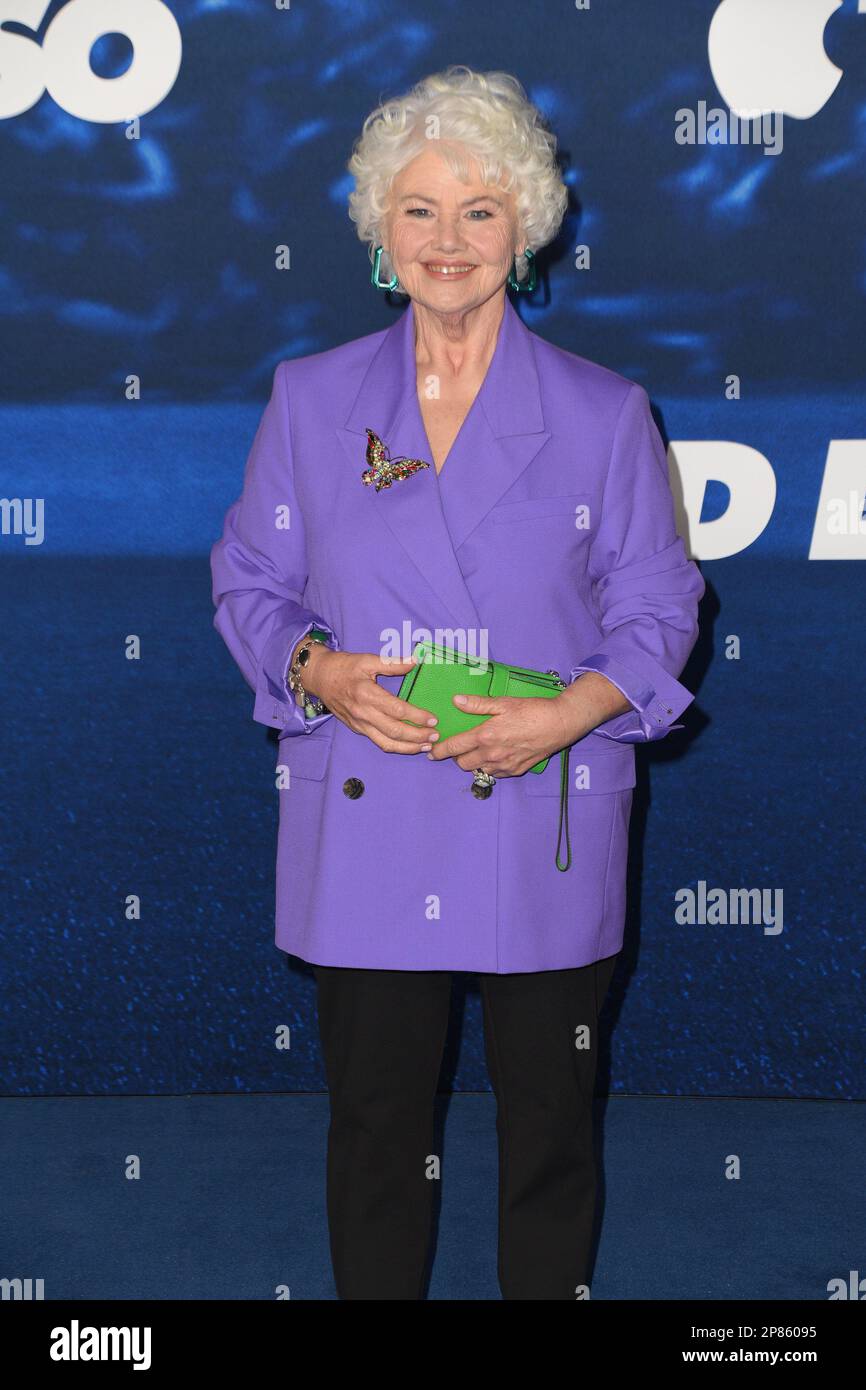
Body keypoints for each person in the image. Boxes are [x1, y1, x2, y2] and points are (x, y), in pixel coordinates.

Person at [210, 65, 704, 1300]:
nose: (449, 240)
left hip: (544, 806)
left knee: (551, 1129)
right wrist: (315, 668)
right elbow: (249, 582)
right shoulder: (310, 398)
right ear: (382, 227)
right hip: (371, 799)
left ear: (525, 230)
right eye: (420, 209)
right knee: (378, 1133)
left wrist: (570, 713)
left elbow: (659, 604)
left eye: (480, 210)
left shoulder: (604, 412)